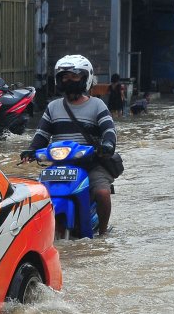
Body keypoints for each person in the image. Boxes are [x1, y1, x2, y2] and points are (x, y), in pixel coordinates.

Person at [20, 54, 117, 235]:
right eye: (65, 77)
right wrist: (31, 150)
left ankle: (103, 233)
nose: (69, 80)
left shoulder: (98, 105)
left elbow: (109, 131)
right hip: (59, 165)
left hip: (92, 163)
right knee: (38, 195)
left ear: (85, 78)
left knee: (103, 193)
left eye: (74, 76)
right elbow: (42, 134)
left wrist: (108, 145)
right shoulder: (53, 107)